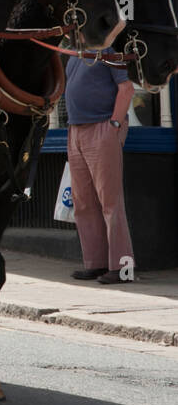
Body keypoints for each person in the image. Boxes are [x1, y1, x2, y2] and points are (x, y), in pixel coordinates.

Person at [65, 53, 136, 284]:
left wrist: (114, 124)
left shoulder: (110, 51)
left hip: (102, 127)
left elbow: (126, 88)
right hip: (75, 129)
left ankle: (122, 268)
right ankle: (96, 264)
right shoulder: (75, 54)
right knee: (83, 202)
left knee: (110, 201)